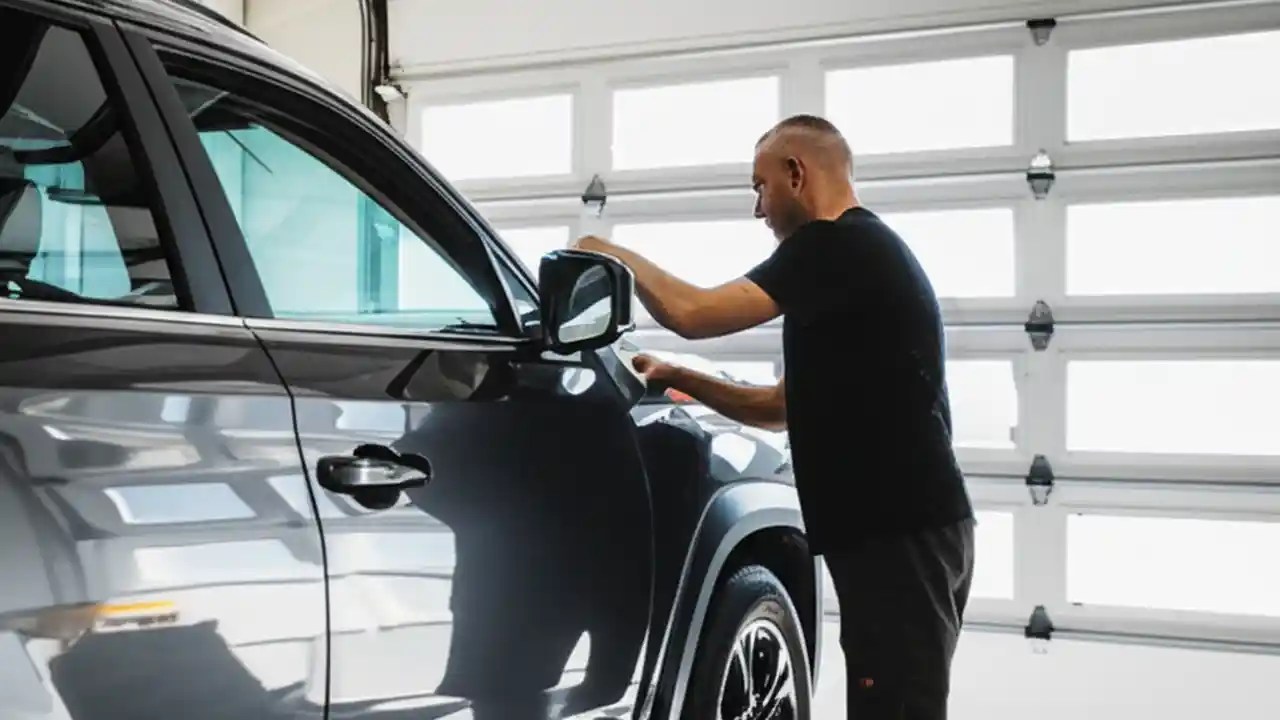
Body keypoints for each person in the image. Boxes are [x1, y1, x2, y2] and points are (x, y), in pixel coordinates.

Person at [569, 114, 975, 719]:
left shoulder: (836, 246)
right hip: (912, 531)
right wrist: (680, 377)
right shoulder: (857, 261)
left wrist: (605, 253)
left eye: (759, 187)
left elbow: (692, 312)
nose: (758, 209)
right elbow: (782, 408)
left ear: (795, 173)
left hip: (899, 535)